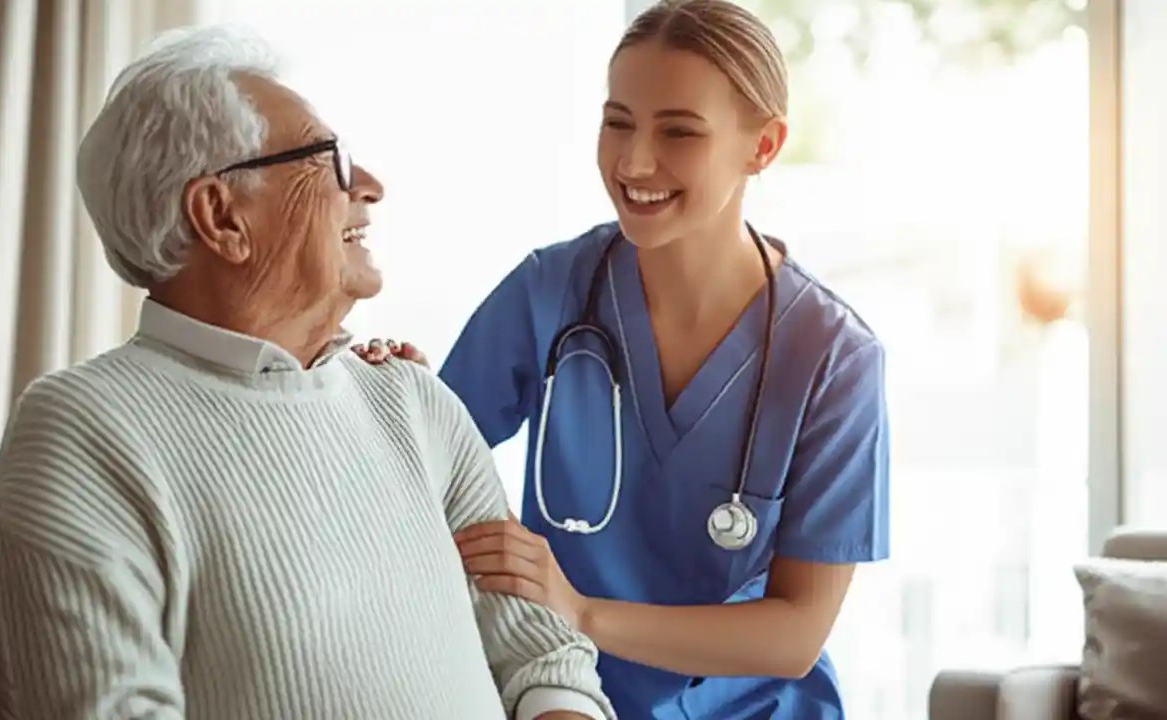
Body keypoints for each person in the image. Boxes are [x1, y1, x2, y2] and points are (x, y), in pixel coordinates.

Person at [0, 26, 614, 720]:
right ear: (221, 216)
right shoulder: (84, 431)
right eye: (329, 160)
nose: (369, 185)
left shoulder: (414, 401)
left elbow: (545, 655)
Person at [354, 1, 889, 717]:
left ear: (762, 147)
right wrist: (400, 401)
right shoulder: (550, 292)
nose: (634, 162)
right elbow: (423, 471)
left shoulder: (834, 358)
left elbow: (795, 632)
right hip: (567, 698)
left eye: (679, 131)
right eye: (618, 123)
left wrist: (579, 610)